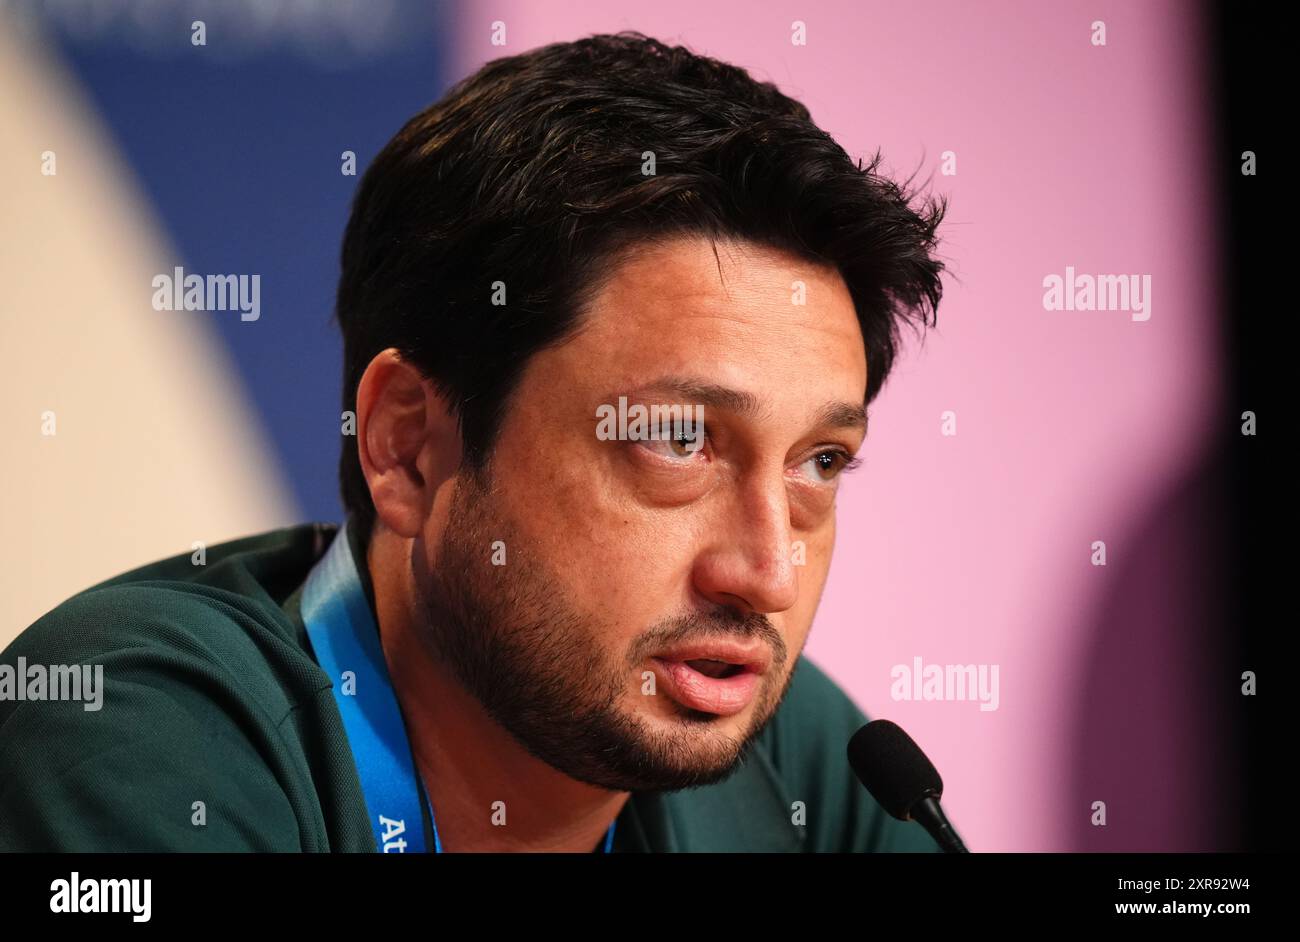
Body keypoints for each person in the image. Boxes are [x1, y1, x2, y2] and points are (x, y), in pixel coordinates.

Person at [0, 31, 951, 852]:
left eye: (819, 463)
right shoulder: (141, 736)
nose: (768, 574)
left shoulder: (804, 765)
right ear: (410, 446)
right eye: (676, 441)